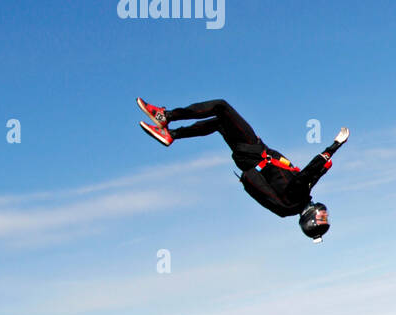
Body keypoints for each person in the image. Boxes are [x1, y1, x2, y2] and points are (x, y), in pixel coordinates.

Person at [136, 98, 348, 241]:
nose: (324, 214)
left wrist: (335, 146)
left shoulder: (298, 197)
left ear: (310, 219)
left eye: (321, 218)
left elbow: (309, 173)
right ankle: (171, 134)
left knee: (221, 107)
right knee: (219, 123)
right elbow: (312, 176)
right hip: (248, 159)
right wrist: (326, 164)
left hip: (254, 152)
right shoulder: (289, 206)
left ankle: (166, 117)